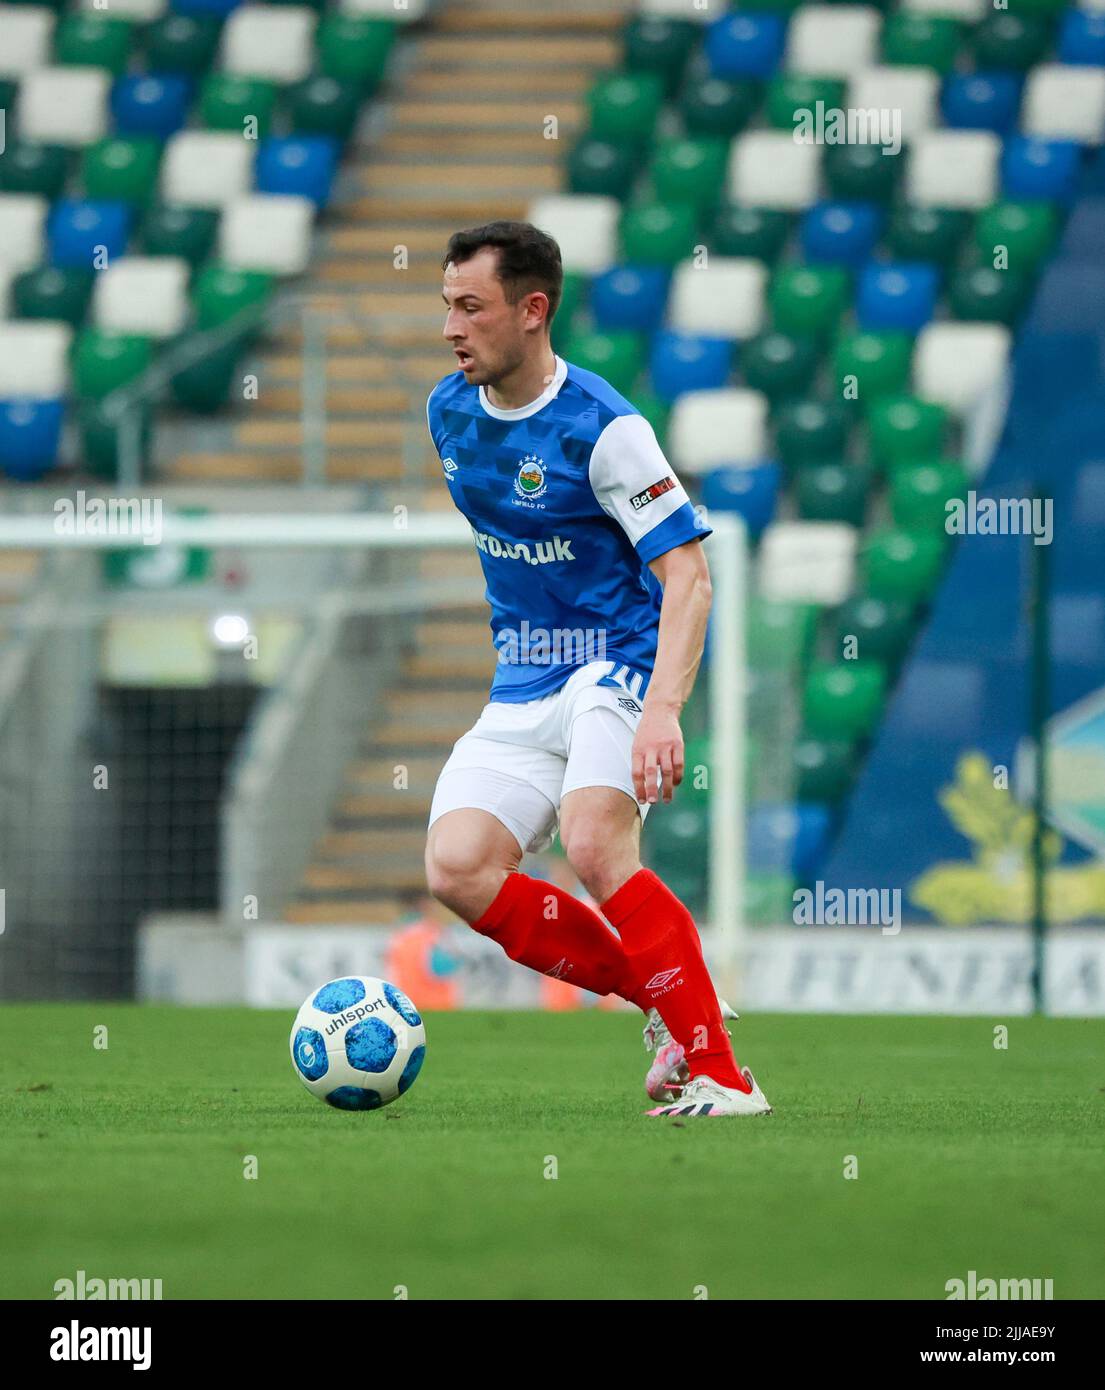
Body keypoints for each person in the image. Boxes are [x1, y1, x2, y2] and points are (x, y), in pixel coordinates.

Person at [423, 220, 770, 1117]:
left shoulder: (605, 430)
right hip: (524, 678)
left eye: (471, 307)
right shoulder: (447, 412)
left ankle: (726, 1076)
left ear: (532, 311)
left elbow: (688, 573)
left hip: (616, 664)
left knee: (592, 844)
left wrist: (661, 709)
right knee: (457, 867)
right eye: (446, 306)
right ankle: (667, 993)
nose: (452, 328)